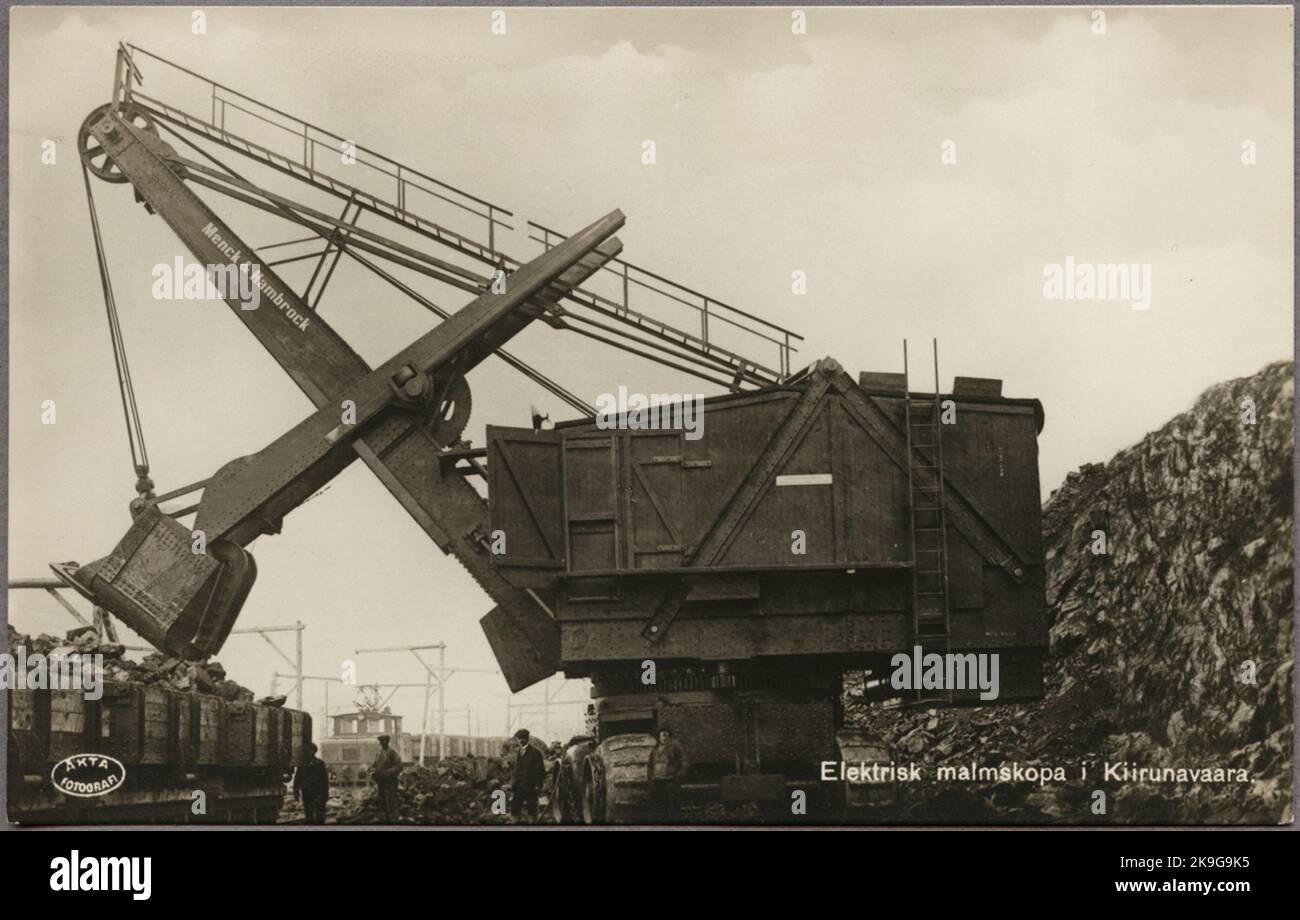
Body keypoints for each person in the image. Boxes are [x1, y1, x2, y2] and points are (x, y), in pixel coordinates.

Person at [647, 727, 689, 822]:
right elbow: (649, 765)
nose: (664, 737)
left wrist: (677, 778)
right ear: (658, 737)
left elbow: (685, 763)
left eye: (666, 735)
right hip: (657, 782)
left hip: (670, 783)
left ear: (669, 736)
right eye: (661, 735)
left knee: (673, 809)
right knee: (659, 808)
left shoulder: (676, 747)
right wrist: (651, 778)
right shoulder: (655, 749)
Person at [511, 728, 546, 824]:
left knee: (532, 810)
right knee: (515, 808)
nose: (521, 741)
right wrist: (513, 784)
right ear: (517, 740)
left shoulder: (535, 753)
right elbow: (517, 770)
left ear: (528, 739)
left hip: (531, 787)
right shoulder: (519, 752)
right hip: (519, 787)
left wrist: (538, 785)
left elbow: (540, 771)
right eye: (519, 738)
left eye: (523, 738)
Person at [292, 741, 330, 825]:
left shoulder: (319, 763)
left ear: (313, 751)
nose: (308, 753)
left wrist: (326, 793)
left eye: (310, 750)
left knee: (319, 812)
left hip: (317, 791)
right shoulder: (303, 764)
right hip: (309, 791)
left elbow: (325, 780)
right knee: (309, 812)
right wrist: (296, 791)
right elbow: (297, 779)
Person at [370, 734, 402, 823]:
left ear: (388, 741)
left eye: (384, 741)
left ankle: (393, 822)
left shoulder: (392, 752)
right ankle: (385, 821)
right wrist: (371, 769)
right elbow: (375, 764)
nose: (382, 743)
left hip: (390, 781)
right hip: (381, 781)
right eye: (380, 741)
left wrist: (387, 773)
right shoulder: (379, 752)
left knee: (391, 802)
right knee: (382, 801)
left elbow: (399, 766)